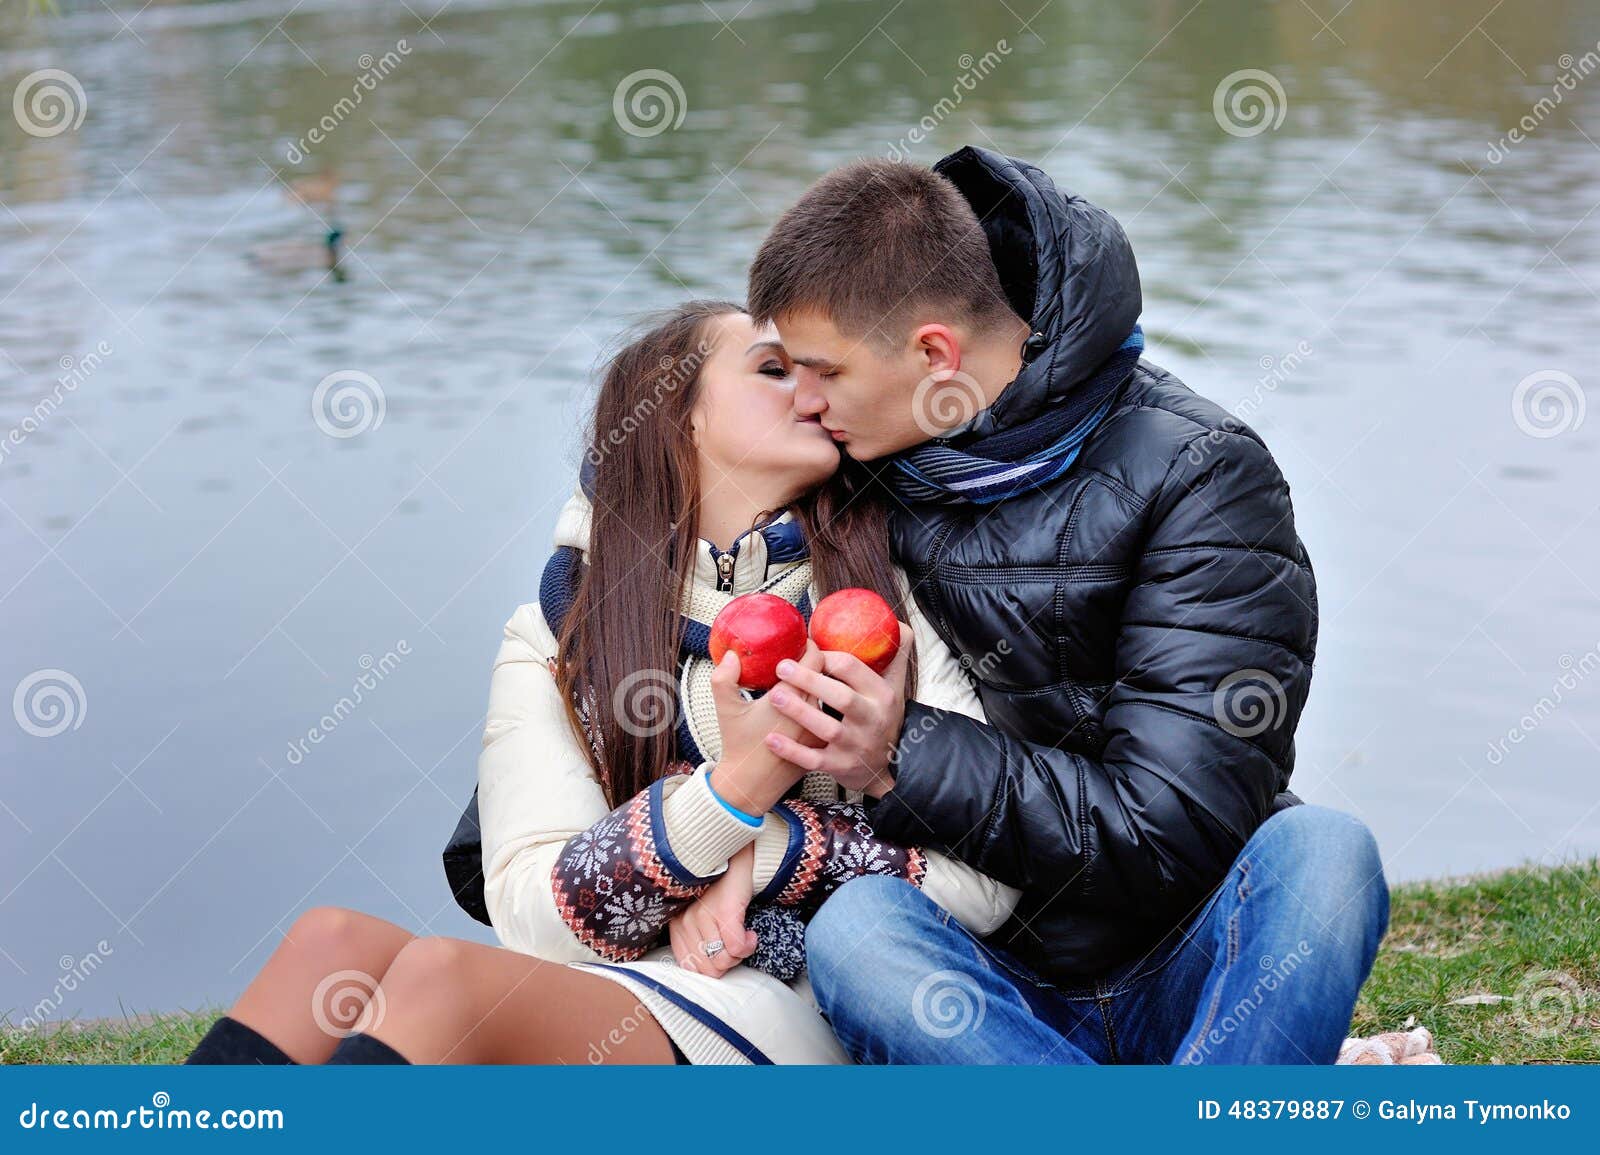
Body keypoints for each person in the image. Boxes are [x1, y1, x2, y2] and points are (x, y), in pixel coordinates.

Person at [183, 300, 1016, 1066]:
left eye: (818, 368)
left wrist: (764, 849)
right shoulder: (561, 628)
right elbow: (529, 908)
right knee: (329, 944)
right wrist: (732, 791)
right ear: (672, 420)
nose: (814, 388)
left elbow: (986, 879)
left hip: (802, 1002)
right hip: (620, 979)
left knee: (440, 979)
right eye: (772, 368)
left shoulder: (890, 594)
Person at [742, 147, 1390, 1064]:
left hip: (1190, 965)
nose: (802, 405)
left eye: (824, 373)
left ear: (934, 353)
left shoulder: (1200, 473)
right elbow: (659, 495)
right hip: (979, 990)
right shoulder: (847, 472)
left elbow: (1172, 828)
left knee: (1325, 857)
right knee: (859, 931)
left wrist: (904, 752)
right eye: (783, 371)